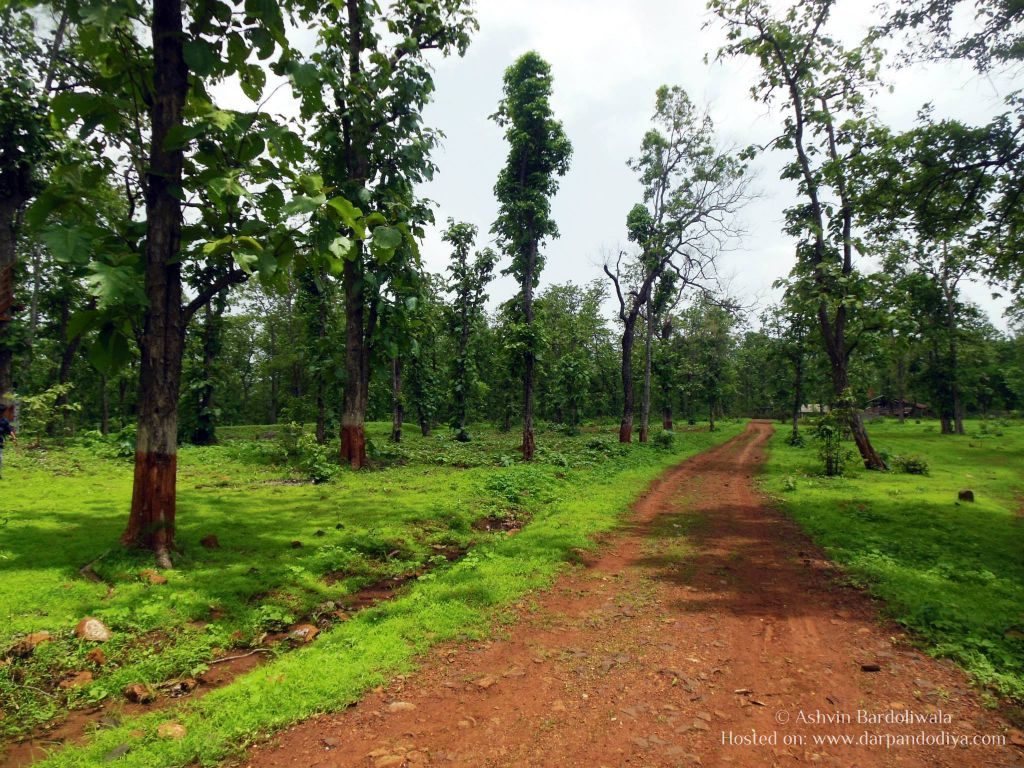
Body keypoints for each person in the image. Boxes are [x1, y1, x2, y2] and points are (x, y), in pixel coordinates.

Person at [0, 415, 15, 479]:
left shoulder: (4, 421)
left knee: (0, 458)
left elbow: (9, 430)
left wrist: (13, 437)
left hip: (0, 442)